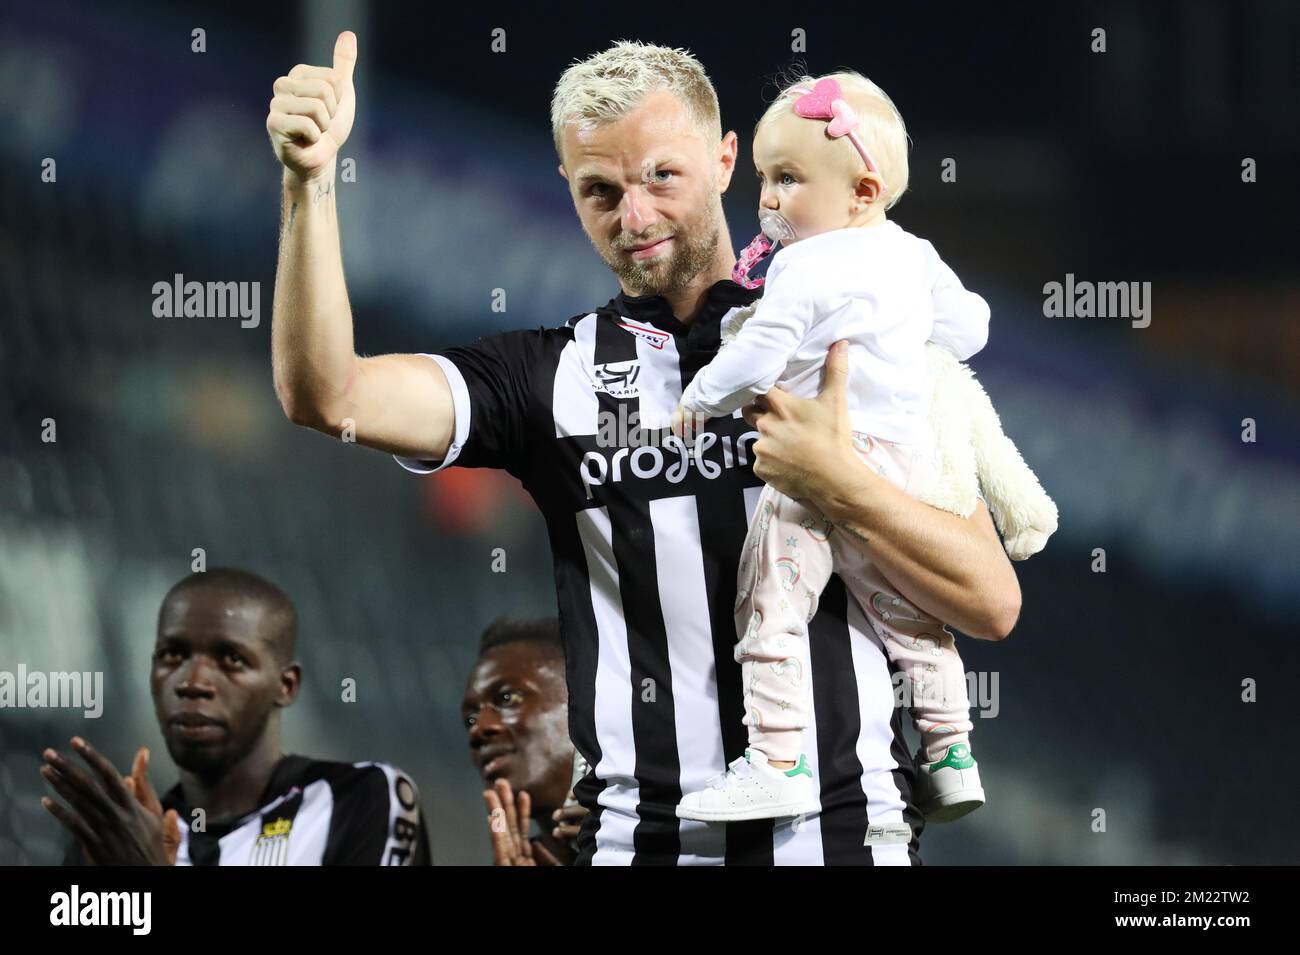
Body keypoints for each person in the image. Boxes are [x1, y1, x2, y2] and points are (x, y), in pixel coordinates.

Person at [267, 34, 1020, 864]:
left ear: (729, 159)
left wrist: (841, 483)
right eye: (600, 190)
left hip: (846, 838)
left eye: (663, 174)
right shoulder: (548, 376)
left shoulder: (855, 337)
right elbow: (327, 395)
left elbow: (990, 600)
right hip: (642, 844)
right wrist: (309, 184)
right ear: (569, 189)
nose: (635, 216)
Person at [671, 72, 1004, 823]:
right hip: (908, 472)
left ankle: (777, 757)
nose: (767, 199)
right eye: (763, 177)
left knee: (771, 601)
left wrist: (697, 399)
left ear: (862, 189)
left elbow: (758, 356)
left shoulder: (803, 265)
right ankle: (952, 755)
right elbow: (972, 327)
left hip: (821, 471)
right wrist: (905, 341)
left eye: (787, 179)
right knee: (911, 619)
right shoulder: (913, 254)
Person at [42, 568, 430, 865]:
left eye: (231, 659)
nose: (193, 682)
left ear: (286, 685)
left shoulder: (360, 800)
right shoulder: (116, 842)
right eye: (173, 655)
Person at [463, 616, 586, 865]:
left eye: (506, 698)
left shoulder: (677, 833)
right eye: (470, 720)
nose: (478, 730)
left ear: (585, 700)